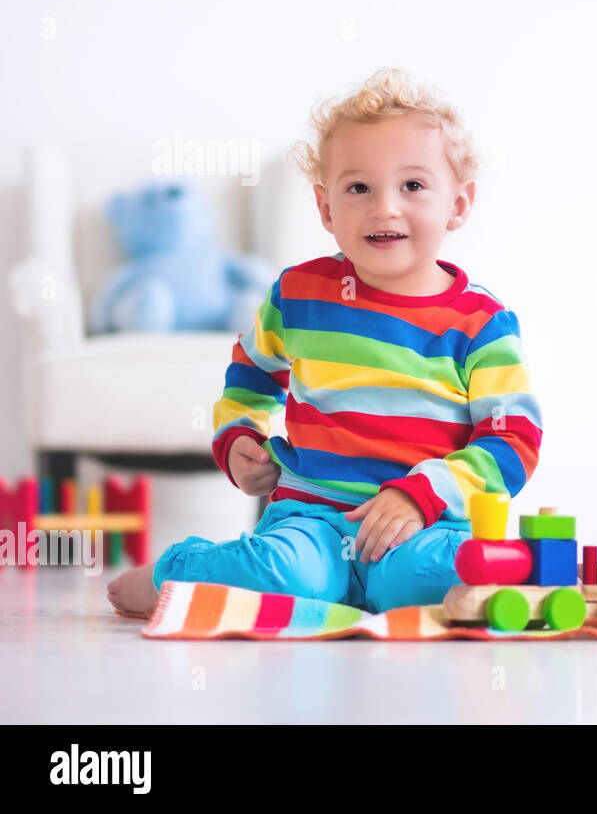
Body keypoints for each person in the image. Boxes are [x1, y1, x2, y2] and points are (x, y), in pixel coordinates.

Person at [108, 69, 542, 615]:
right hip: (312, 521)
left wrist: (423, 492)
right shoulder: (299, 294)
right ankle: (177, 571)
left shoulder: (482, 323)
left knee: (446, 578)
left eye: (412, 185)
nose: (384, 207)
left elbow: (514, 439)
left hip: (421, 525)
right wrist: (240, 433)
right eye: (359, 187)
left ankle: (389, 585)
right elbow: (252, 370)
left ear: (457, 204)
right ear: (326, 208)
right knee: (285, 578)